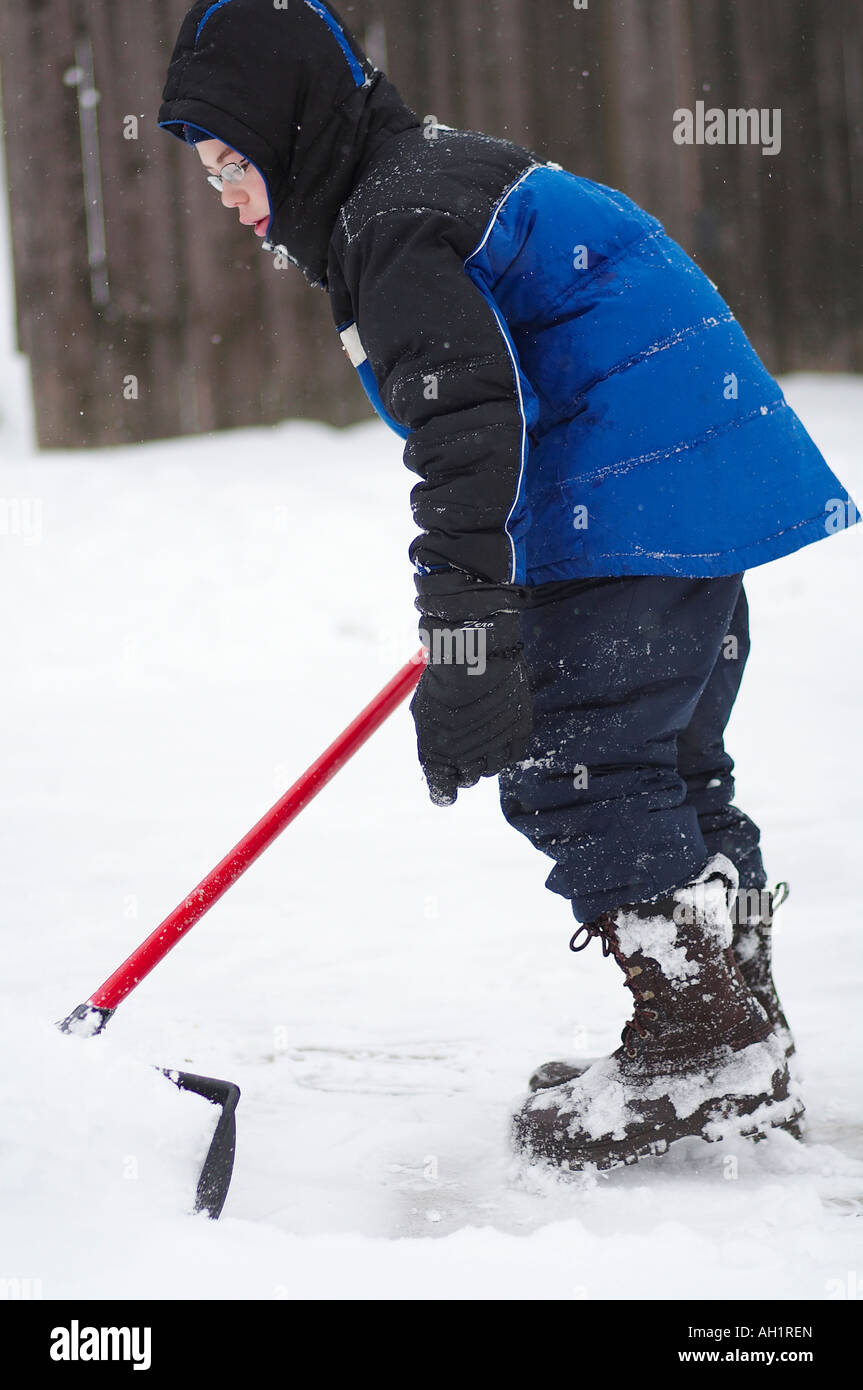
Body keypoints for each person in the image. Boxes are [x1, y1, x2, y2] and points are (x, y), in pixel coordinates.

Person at [158, 0, 858, 1170]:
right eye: (207, 171)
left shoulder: (390, 220)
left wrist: (465, 622)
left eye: (234, 162)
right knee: (666, 763)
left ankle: (697, 1039)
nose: (226, 195)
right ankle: (736, 1034)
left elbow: (467, 429)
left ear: (289, 131)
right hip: (685, 485)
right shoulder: (431, 178)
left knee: (578, 763)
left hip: (629, 500)